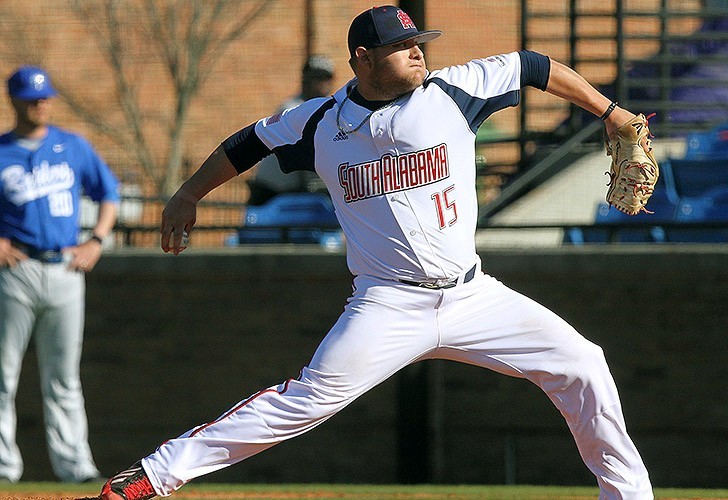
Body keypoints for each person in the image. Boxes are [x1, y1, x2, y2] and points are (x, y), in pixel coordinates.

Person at [101, 6, 654, 499]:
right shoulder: (318, 121)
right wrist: (188, 194)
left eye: (420, 43)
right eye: (402, 47)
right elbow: (249, 142)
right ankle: (155, 474)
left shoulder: (453, 91)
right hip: (385, 304)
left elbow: (534, 64)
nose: (418, 53)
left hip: (472, 295)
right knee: (306, 401)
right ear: (362, 58)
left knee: (583, 364)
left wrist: (612, 114)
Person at [0, 65, 119, 483]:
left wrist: (97, 240)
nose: (41, 104)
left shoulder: (72, 146)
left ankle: (76, 467)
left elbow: (109, 194)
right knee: (3, 371)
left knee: (64, 376)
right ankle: (2, 468)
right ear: (13, 100)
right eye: (33, 98)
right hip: (16, 271)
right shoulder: (1, 151)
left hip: (66, 269)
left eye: (46, 97)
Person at [246, 55, 335, 206]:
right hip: (271, 193)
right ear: (304, 80)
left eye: (326, 78)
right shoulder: (292, 108)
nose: (322, 83)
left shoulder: (329, 109)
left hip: (298, 195)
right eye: (316, 77)